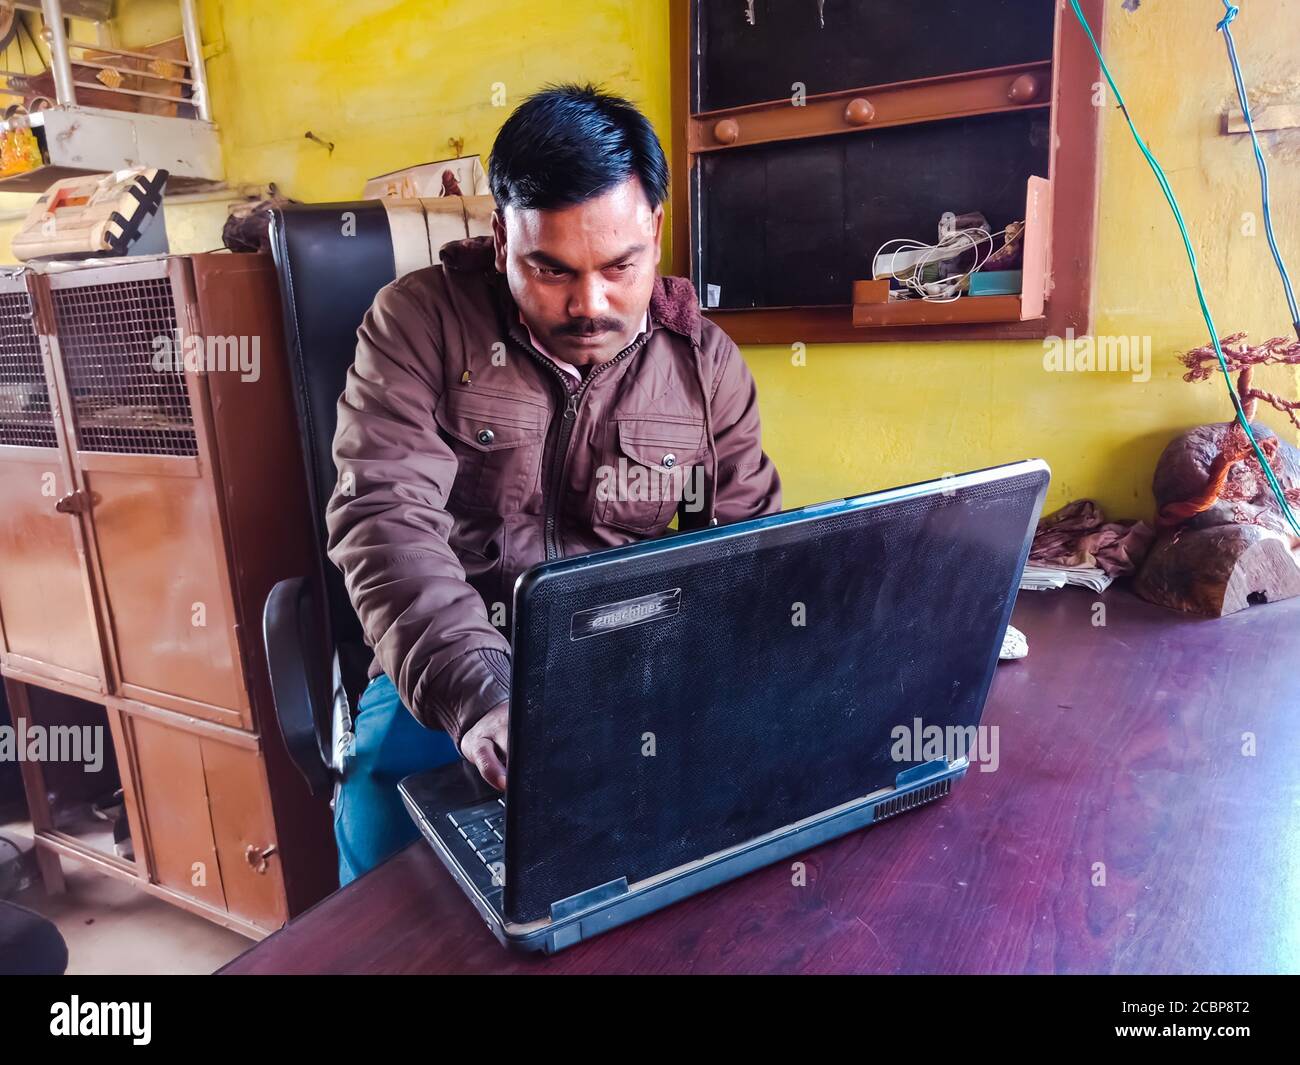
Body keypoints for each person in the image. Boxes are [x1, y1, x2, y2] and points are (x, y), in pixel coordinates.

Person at [326, 83, 781, 883]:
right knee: (388, 878)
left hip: (629, 670)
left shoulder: (705, 364)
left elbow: (743, 550)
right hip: (443, 669)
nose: (589, 304)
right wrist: (481, 695)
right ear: (501, 238)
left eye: (619, 266)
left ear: (656, 231)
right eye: (551, 268)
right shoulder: (418, 322)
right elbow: (384, 517)